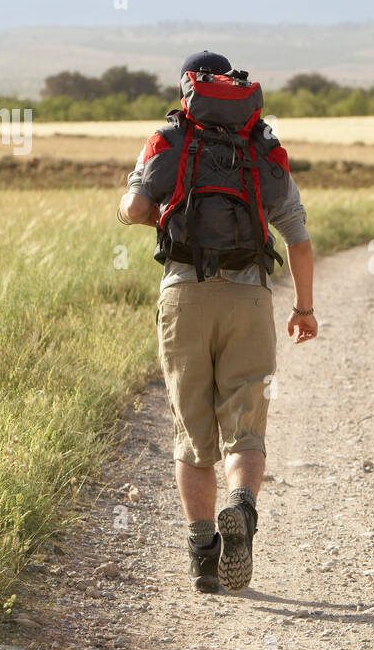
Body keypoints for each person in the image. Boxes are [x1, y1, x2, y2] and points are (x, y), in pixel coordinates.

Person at [117, 49, 317, 593]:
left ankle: (204, 554)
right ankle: (244, 509)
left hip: (185, 294)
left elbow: (136, 209)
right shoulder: (262, 145)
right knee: (246, 418)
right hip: (249, 297)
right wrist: (304, 308)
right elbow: (297, 237)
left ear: (186, 88)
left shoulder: (170, 139)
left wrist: (133, 203)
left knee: (192, 428)